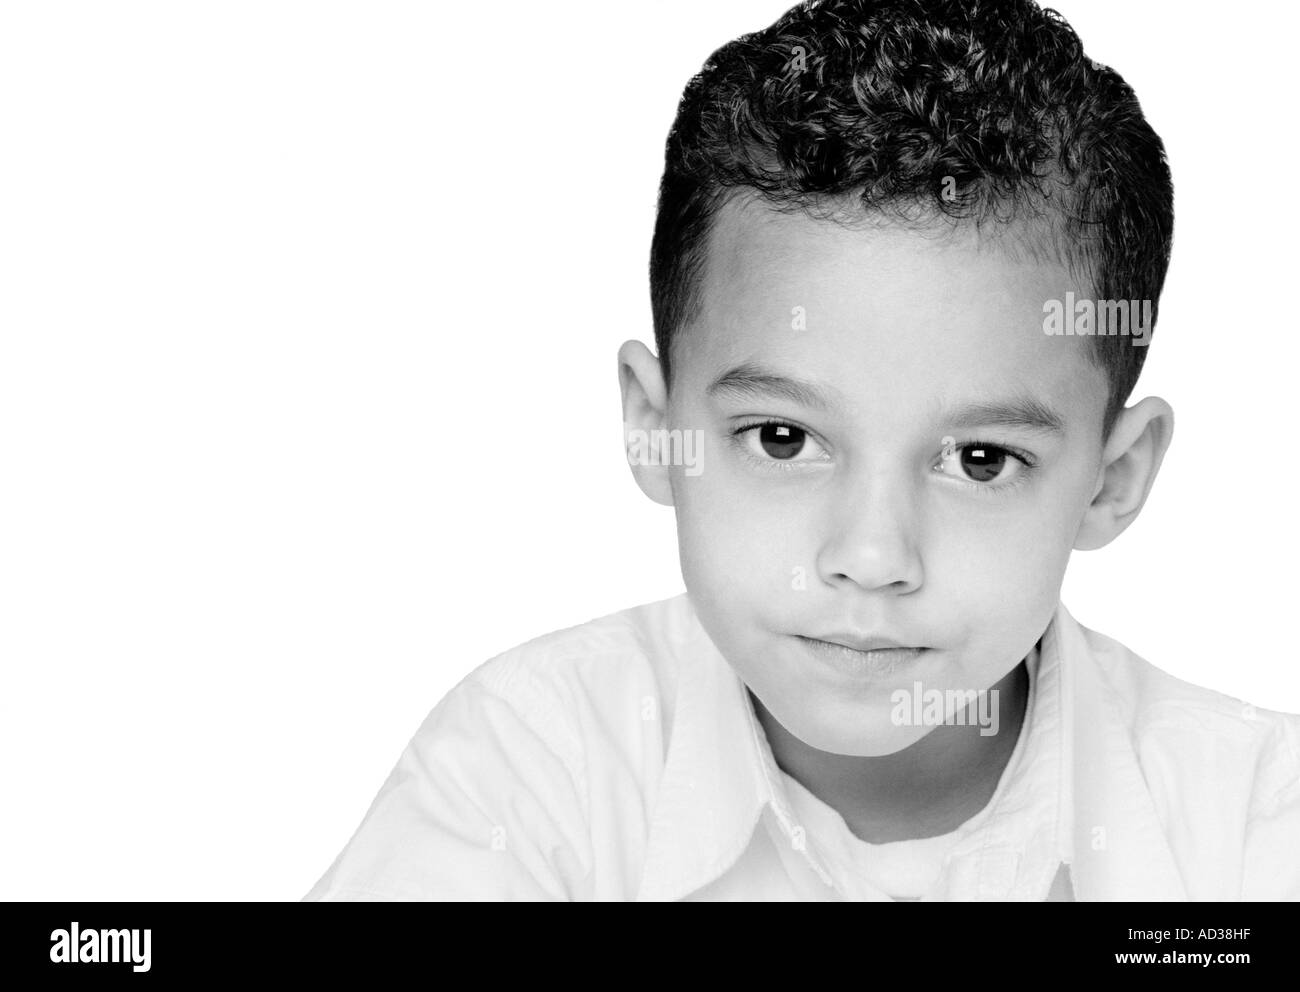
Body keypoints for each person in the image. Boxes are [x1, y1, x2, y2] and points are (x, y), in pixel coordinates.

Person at [302, 0, 1300, 901]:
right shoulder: (533, 766)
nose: (870, 555)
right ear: (657, 427)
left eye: (982, 460)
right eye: (784, 439)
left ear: (1110, 479)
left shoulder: (1251, 823)